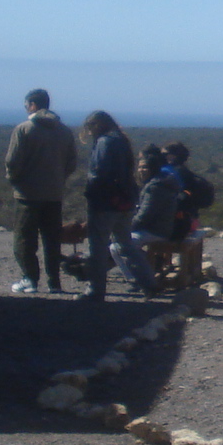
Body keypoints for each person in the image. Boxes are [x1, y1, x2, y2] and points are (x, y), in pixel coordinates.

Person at [4, 88, 78, 294]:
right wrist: (58, 179)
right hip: (54, 194)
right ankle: (54, 282)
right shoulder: (64, 131)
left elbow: (12, 161)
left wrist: (15, 179)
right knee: (52, 240)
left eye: (27, 105)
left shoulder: (24, 129)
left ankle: (30, 279)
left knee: (24, 239)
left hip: (27, 194)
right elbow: (72, 162)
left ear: (33, 105)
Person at [77, 111, 136, 302]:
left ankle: (96, 289)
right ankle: (147, 282)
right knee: (125, 243)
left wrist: (91, 192)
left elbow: (99, 173)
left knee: (97, 247)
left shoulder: (105, 142)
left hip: (104, 202)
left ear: (97, 125)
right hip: (123, 199)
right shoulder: (122, 140)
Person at [115, 145, 183, 297]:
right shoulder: (158, 182)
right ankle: (140, 277)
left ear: (153, 168)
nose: (141, 170)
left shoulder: (156, 187)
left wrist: (125, 228)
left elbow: (145, 215)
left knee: (119, 245)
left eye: (145, 167)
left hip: (156, 230)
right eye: (140, 167)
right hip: (157, 228)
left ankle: (138, 280)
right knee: (119, 245)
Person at [162, 141, 215, 242]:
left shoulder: (171, 174)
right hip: (192, 221)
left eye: (164, 154)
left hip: (180, 223)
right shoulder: (186, 172)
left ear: (172, 156)